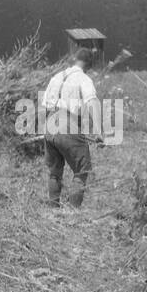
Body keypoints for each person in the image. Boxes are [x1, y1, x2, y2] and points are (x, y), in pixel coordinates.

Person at [41, 47, 98, 208]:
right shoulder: (84, 79)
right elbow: (92, 102)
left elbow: (45, 105)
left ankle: (53, 211)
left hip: (50, 125)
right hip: (69, 124)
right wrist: (99, 132)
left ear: (74, 59)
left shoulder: (56, 77)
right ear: (89, 63)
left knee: (54, 173)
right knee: (81, 171)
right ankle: (73, 216)